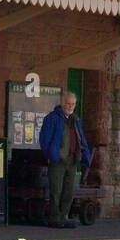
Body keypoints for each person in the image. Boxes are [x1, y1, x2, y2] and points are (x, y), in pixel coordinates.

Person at [38, 91, 92, 229]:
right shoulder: (52, 118)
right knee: (56, 190)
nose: (70, 106)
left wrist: (85, 156)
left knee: (69, 190)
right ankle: (54, 217)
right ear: (62, 103)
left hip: (72, 160)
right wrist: (51, 156)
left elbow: (81, 138)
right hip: (58, 160)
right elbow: (45, 139)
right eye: (68, 103)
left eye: (73, 104)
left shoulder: (76, 120)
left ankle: (64, 216)